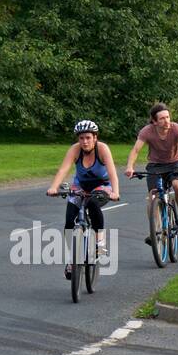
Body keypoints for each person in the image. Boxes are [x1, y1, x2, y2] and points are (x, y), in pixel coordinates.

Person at [47, 119, 120, 279]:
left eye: (88, 137)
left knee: (93, 203)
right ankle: (72, 259)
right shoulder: (75, 150)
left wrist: (115, 192)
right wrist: (53, 187)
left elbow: (112, 172)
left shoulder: (102, 149)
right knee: (68, 220)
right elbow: (63, 169)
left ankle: (99, 241)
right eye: (81, 138)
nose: (85, 141)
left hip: (102, 185)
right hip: (80, 186)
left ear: (95, 137)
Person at [124, 102, 178, 239]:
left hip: (176, 163)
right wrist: (129, 166)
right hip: (155, 165)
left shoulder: (176, 128)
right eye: (162, 118)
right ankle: (154, 230)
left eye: (167, 117)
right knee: (153, 196)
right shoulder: (147, 131)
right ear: (154, 121)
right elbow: (136, 150)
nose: (166, 121)